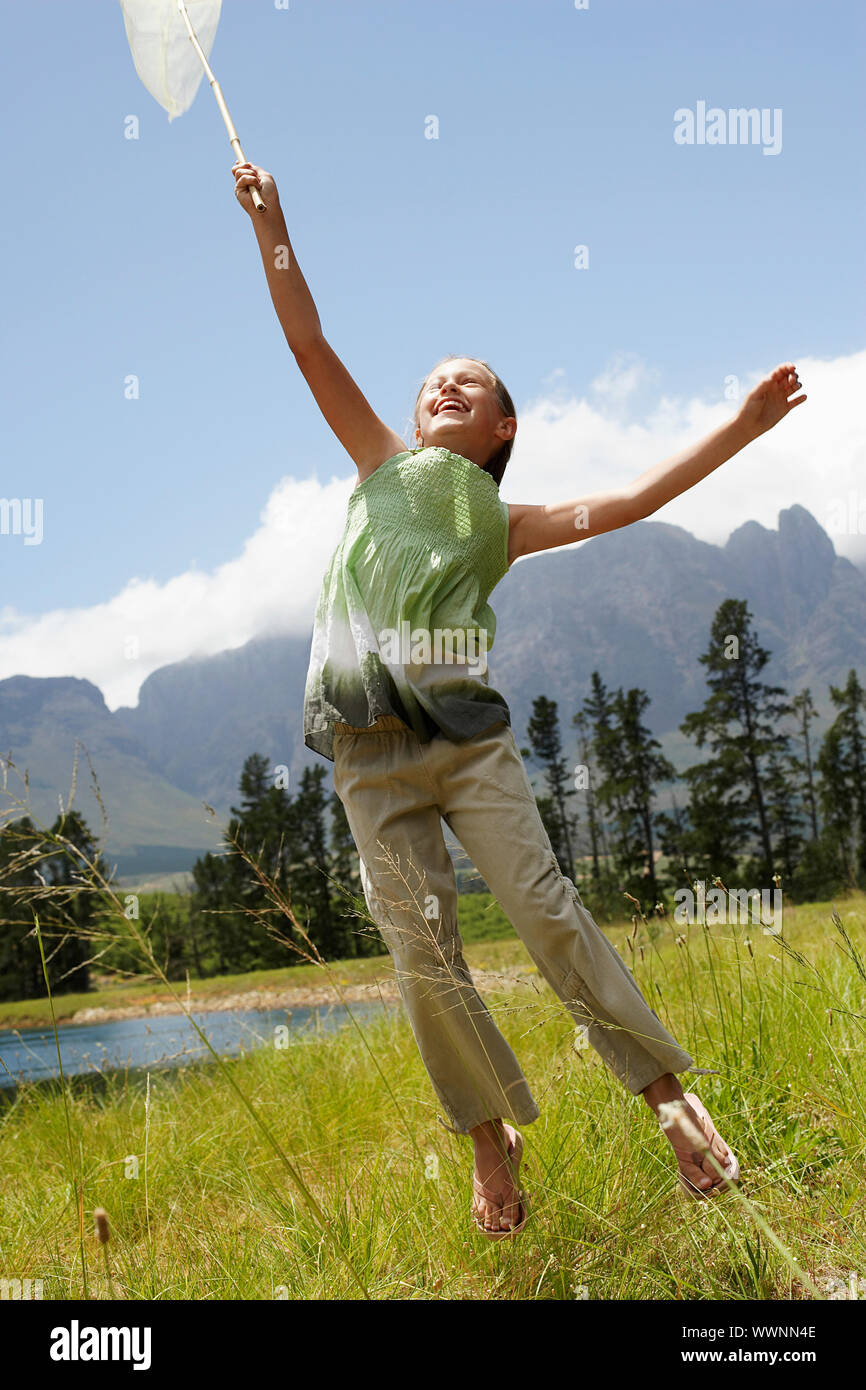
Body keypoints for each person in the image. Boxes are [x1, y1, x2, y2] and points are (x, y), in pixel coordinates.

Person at [232, 160, 806, 1236]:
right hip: (367, 753)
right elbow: (308, 342)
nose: (443, 387)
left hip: (468, 748)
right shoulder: (378, 466)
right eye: (431, 381)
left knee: (545, 913)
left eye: (471, 383)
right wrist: (275, 227)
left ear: (500, 430)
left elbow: (631, 501)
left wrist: (742, 428)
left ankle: (663, 1091)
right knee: (421, 950)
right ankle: (489, 1137)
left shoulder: (507, 521)